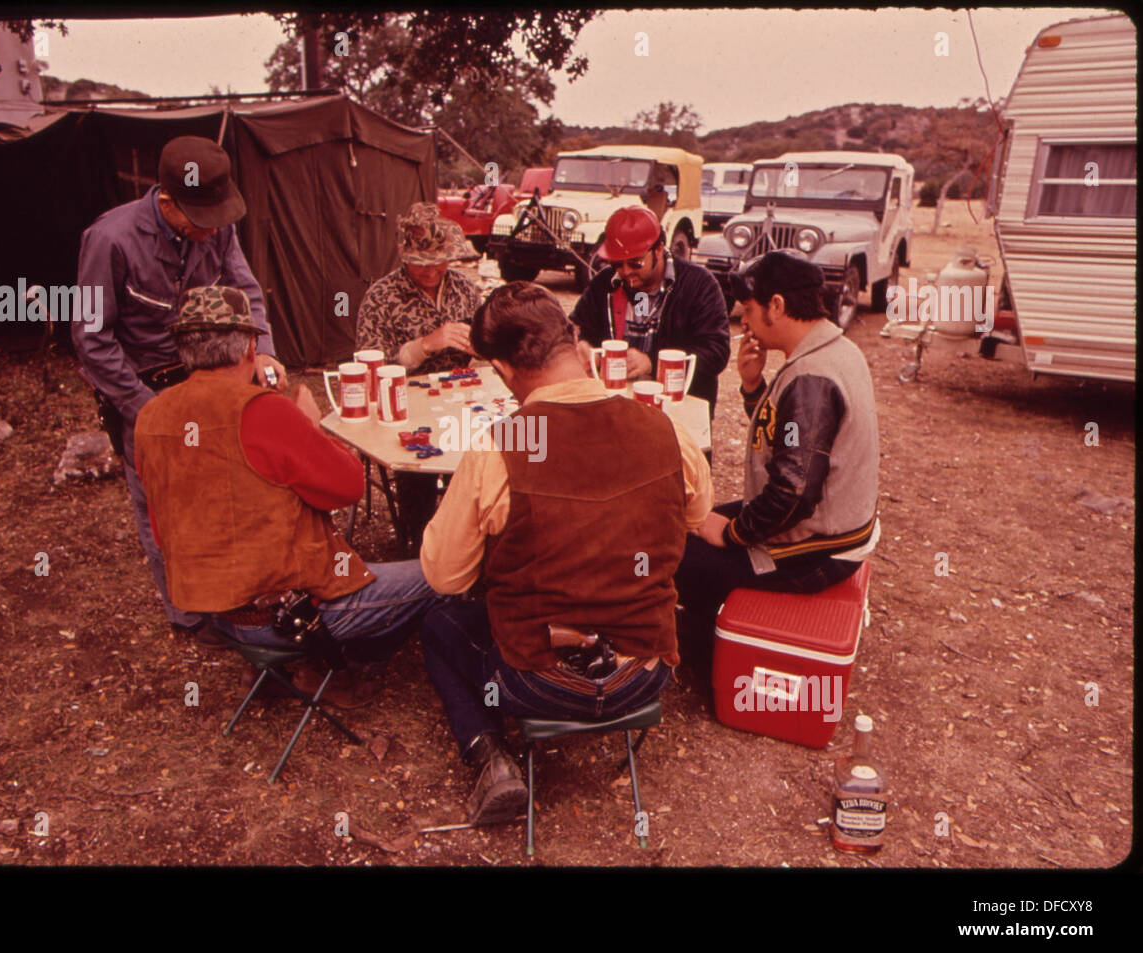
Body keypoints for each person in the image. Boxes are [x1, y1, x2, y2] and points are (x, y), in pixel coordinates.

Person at [418, 282, 713, 824]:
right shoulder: (667, 430)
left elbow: (445, 576)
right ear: (577, 342)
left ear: (503, 372)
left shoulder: (501, 446)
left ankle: (487, 755)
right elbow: (697, 517)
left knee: (440, 623)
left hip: (538, 684)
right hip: (644, 675)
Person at [133, 286, 449, 678]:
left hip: (210, 607)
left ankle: (283, 663)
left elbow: (165, 525)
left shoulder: (150, 415)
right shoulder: (264, 412)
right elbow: (348, 486)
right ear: (251, 346)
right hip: (288, 615)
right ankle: (353, 666)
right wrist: (308, 427)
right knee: (448, 572)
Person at [72, 135, 287, 644]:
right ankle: (188, 615)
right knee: (161, 503)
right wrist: (145, 410)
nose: (209, 229)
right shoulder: (110, 239)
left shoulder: (216, 224)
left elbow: (245, 291)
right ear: (166, 201)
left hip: (206, 377)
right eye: (199, 218)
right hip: (142, 384)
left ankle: (227, 592)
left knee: (219, 487)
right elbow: (91, 338)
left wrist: (267, 349)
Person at [673, 250, 880, 673]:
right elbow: (793, 443)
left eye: (749, 310)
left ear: (778, 306)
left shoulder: (812, 378)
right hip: (837, 526)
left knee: (681, 559)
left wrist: (732, 535)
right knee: (692, 523)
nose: (743, 322)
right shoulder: (834, 349)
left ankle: (708, 663)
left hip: (820, 548)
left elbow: (794, 492)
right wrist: (753, 386)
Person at [356, 202, 482, 544]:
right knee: (417, 471)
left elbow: (490, 344)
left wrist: (481, 348)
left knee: (480, 460)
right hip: (405, 404)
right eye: (420, 264)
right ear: (403, 255)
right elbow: (372, 370)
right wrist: (424, 345)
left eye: (438, 262)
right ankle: (420, 545)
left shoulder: (464, 289)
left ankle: (465, 540)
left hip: (459, 398)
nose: (430, 272)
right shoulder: (381, 296)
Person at [571, 206, 731, 415]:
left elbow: (716, 352)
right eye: (618, 263)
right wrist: (580, 342)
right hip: (615, 410)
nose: (626, 271)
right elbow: (575, 326)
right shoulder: (606, 282)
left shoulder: (700, 285)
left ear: (659, 250)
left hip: (675, 412)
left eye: (636, 263)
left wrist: (652, 363)